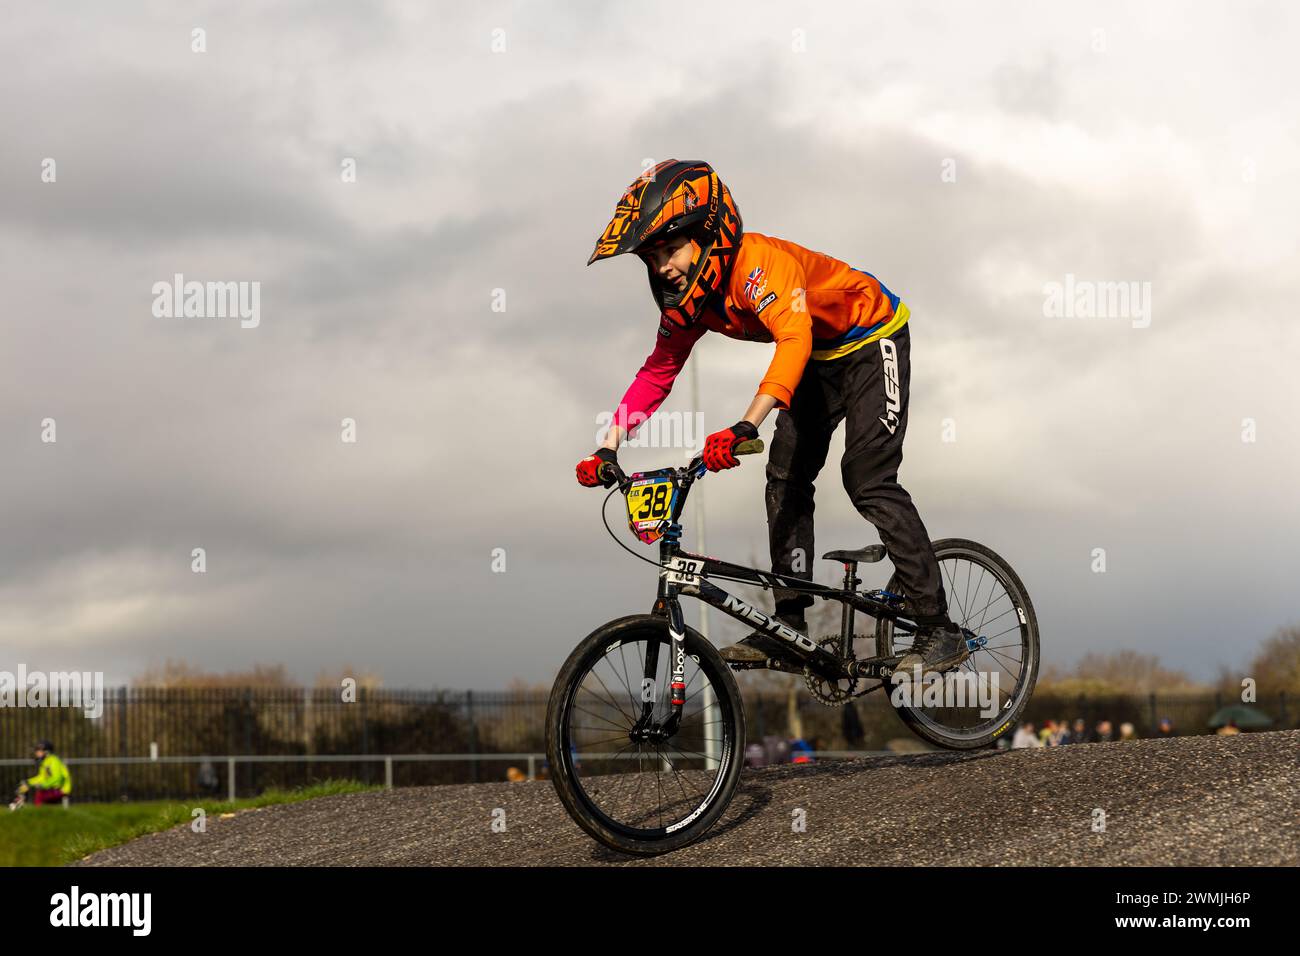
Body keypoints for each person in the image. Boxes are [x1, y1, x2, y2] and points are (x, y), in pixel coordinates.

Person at [576, 160, 967, 678]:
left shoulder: (758, 266)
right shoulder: (690, 304)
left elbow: (793, 340)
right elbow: (658, 371)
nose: (662, 267)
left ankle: (939, 629)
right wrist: (608, 445)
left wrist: (746, 424)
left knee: (867, 478)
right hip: (816, 362)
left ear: (707, 234)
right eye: (652, 258)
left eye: (669, 250)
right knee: (785, 478)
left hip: (872, 339)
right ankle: (789, 626)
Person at [18, 740, 72, 806]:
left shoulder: (54, 760)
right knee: (23, 789)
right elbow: (42, 777)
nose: (36, 752)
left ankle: (38, 813)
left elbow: (58, 777)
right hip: (53, 788)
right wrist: (28, 782)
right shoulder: (45, 762)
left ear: (47, 752)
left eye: (39, 750)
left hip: (62, 789)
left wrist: (43, 785)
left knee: (40, 795)